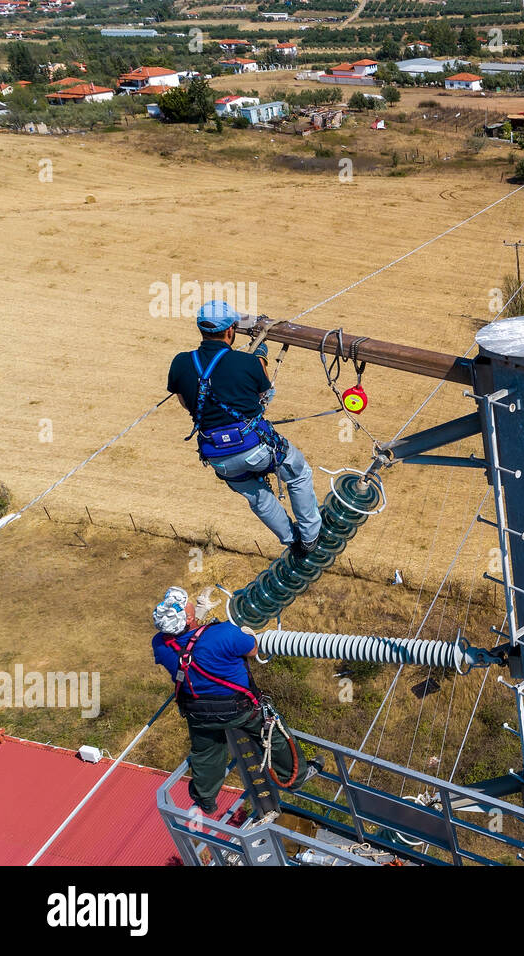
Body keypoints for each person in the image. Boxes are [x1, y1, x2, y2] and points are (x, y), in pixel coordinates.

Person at [168, 300, 321, 557]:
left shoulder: (181, 363)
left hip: (219, 457)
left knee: (257, 496)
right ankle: (310, 536)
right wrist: (260, 355)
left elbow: (185, 403)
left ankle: (291, 540)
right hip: (256, 447)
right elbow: (264, 393)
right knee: (298, 473)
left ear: (201, 330)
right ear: (231, 331)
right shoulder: (245, 363)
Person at [151, 586, 320, 814]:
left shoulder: (160, 644)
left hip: (198, 713)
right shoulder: (224, 633)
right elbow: (252, 650)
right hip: (240, 708)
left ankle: (206, 799)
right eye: (189, 605)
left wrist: (197, 620)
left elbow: (188, 641)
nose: (191, 603)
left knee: (206, 754)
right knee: (275, 737)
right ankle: (295, 776)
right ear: (189, 617)